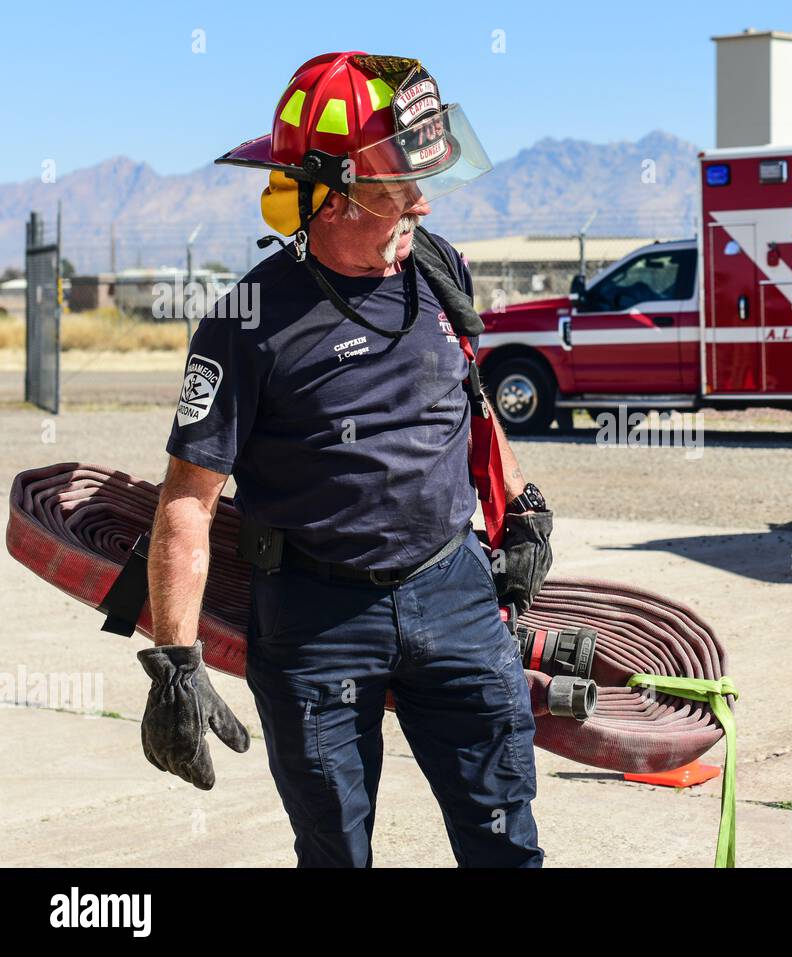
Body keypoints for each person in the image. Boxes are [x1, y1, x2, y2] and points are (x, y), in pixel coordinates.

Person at [136, 52, 551, 867]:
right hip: (315, 619)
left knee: (506, 840)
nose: (421, 203)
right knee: (335, 853)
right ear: (330, 197)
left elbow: (468, 401)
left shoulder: (439, 267)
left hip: (455, 594)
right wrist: (174, 666)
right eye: (397, 187)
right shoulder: (246, 320)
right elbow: (188, 496)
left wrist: (521, 508)